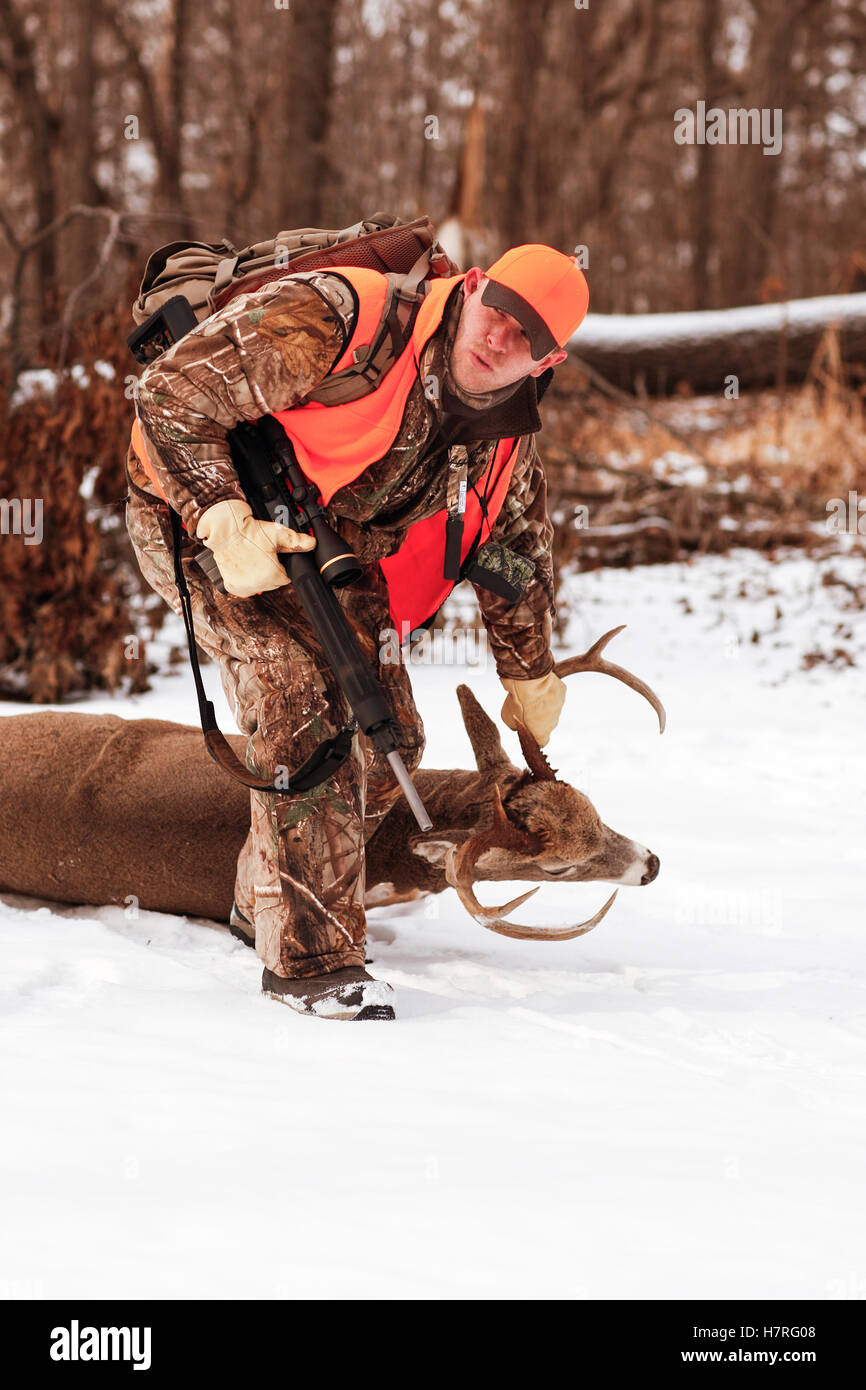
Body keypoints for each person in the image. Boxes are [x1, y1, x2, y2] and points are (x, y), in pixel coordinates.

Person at [124, 242, 589, 1021]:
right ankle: (313, 964)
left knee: (391, 738)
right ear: (472, 287)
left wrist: (530, 672)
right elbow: (168, 393)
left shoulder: (507, 434)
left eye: (527, 339)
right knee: (304, 700)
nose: (498, 338)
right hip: (193, 514)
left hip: (323, 542)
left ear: (550, 360)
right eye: (497, 311)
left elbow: (514, 553)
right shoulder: (341, 316)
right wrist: (220, 514)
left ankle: (263, 900)